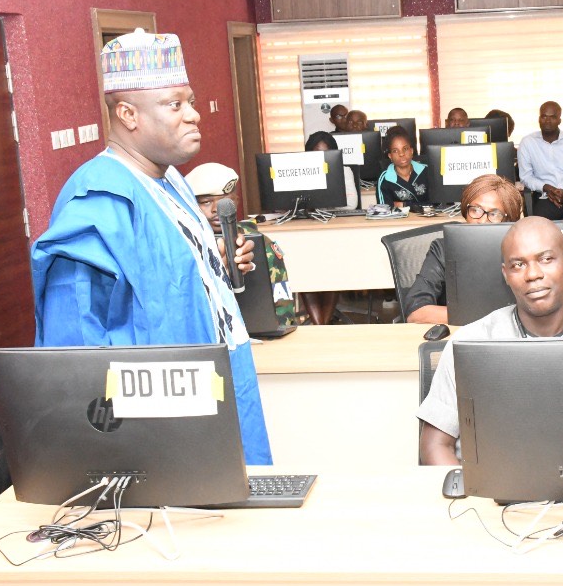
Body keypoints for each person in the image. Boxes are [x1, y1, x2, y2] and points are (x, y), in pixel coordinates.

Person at [31, 29, 272, 464]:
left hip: (215, 381)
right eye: (174, 104)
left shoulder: (172, 181)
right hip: (158, 421)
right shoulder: (99, 201)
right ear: (127, 114)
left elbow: (162, 275)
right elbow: (75, 349)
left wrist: (212, 262)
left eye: (191, 101)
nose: (194, 115)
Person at [417, 217, 563, 465]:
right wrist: (469, 499)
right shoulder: (470, 345)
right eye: (518, 265)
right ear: (506, 274)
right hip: (485, 499)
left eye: (546, 259)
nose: (533, 274)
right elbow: (435, 444)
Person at [186, 162, 297, 330]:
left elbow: (282, 307)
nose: (216, 209)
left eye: (225, 202)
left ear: (236, 202)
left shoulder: (260, 243)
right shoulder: (183, 244)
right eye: (206, 202)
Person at [404, 174, 524, 324]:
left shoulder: (523, 252)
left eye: (494, 214)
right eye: (475, 210)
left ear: (509, 220)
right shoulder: (444, 249)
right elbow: (416, 312)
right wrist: (490, 318)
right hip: (459, 335)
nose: (482, 220)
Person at [376, 125, 429, 210]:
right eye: (395, 151)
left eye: (405, 149)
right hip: (397, 222)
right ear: (390, 156)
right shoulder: (385, 178)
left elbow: (436, 204)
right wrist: (418, 206)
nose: (401, 154)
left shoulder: (426, 170)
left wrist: (403, 205)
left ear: (411, 151)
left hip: (428, 220)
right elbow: (384, 210)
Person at [305, 131, 358, 210]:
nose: (322, 157)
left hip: (336, 219)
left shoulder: (344, 171)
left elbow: (351, 204)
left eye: (326, 153)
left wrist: (324, 207)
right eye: (317, 153)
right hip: (309, 220)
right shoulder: (303, 172)